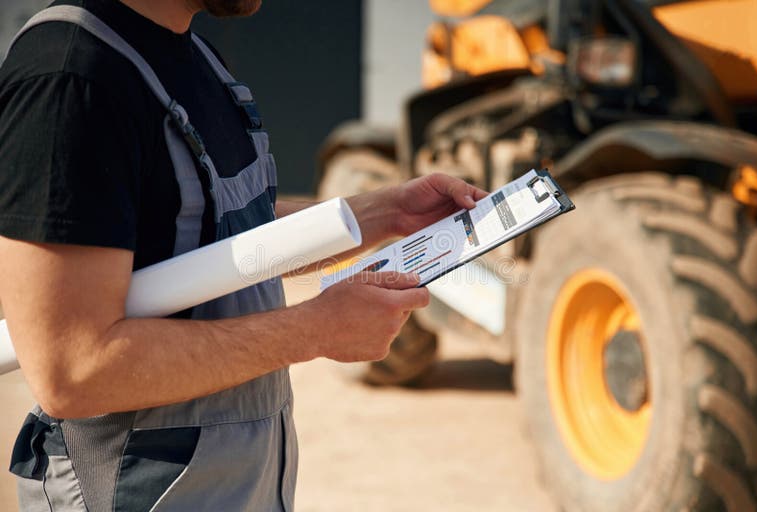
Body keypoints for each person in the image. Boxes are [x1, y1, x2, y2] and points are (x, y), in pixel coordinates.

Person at [0, 0, 486, 510]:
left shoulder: (197, 60)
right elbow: (73, 369)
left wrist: (388, 213)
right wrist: (317, 329)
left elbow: (223, 234)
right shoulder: (69, 78)